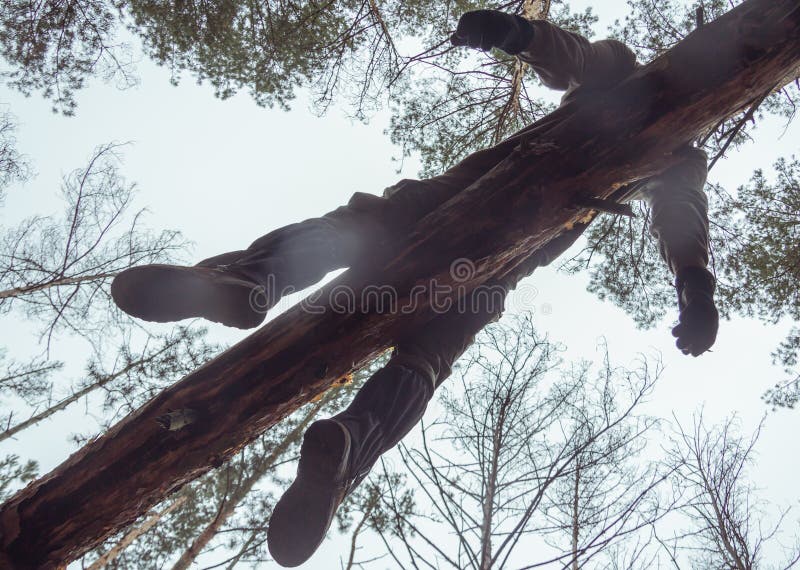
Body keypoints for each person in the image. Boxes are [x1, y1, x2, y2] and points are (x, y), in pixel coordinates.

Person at [110, 10, 719, 567]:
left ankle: (246, 280)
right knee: (430, 352)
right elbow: (585, 72)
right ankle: (352, 442)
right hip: (502, 253)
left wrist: (695, 284)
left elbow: (585, 74)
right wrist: (693, 284)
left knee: (357, 229)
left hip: (461, 209)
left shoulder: (660, 123)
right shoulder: (653, 110)